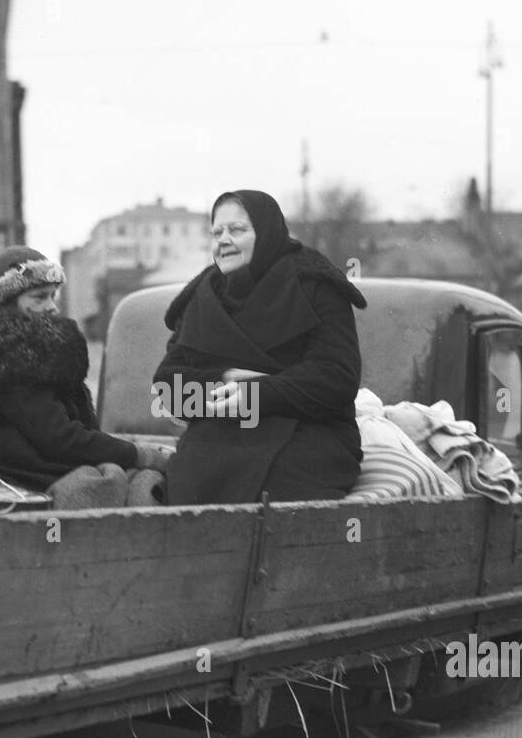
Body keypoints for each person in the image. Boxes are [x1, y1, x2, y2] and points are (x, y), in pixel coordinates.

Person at [154, 190, 366, 504]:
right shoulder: (201, 295)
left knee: (283, 484)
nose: (223, 240)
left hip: (308, 431)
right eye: (216, 232)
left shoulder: (315, 284)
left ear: (266, 232)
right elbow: (168, 389)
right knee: (189, 481)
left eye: (237, 230)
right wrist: (226, 383)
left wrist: (255, 394)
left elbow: (336, 378)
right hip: (219, 433)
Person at [0, 246, 171, 492]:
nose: (52, 307)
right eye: (39, 297)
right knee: (137, 486)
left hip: (52, 469)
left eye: (53, 295)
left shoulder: (41, 350)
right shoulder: (11, 359)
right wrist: (142, 455)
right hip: (35, 477)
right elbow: (60, 438)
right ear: (4, 302)